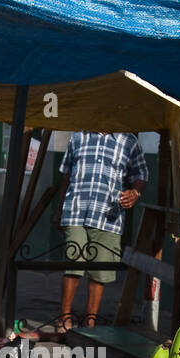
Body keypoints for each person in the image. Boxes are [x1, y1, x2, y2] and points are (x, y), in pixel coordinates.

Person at [53, 131, 147, 331]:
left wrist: (136, 192)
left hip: (108, 215)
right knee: (73, 263)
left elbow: (141, 173)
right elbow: (67, 175)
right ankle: (64, 318)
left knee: (100, 271)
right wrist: (59, 208)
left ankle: (91, 322)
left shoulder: (129, 141)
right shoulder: (78, 137)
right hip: (76, 211)